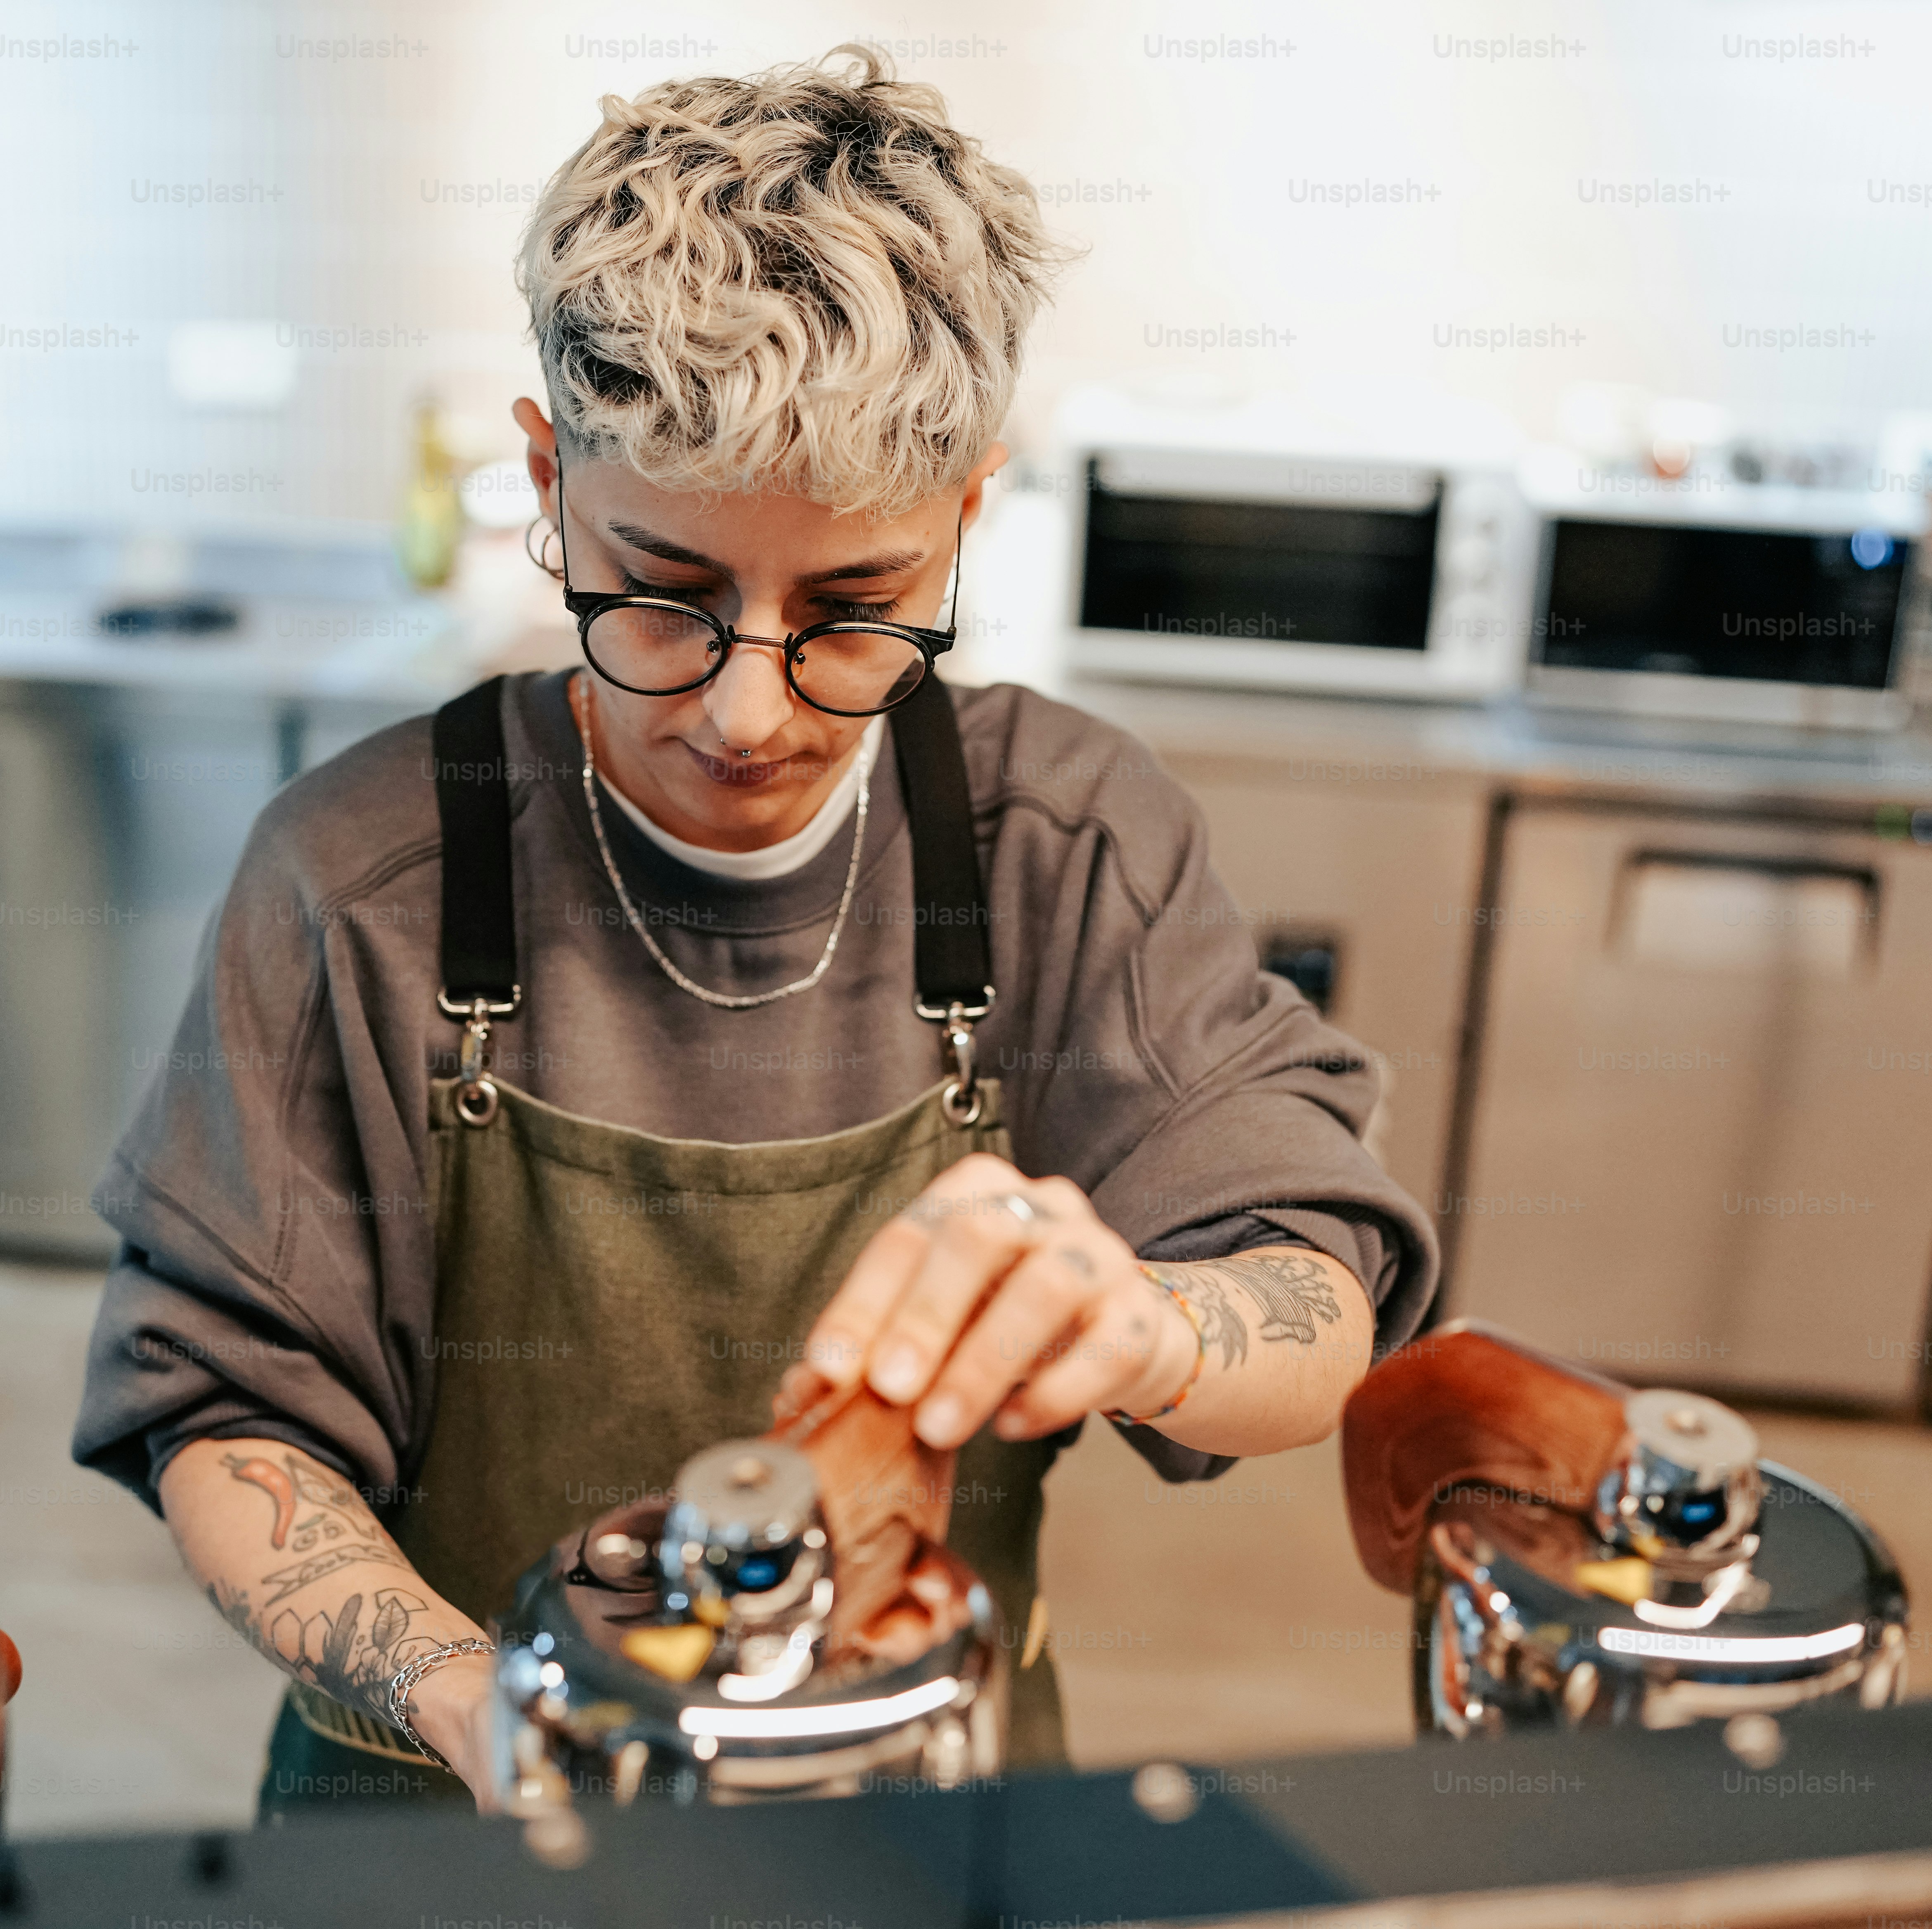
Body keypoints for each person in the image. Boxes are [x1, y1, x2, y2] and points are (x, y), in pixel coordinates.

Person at [73, 44, 1435, 1813]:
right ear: (551, 480)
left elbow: (1312, 1294)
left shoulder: (1062, 840)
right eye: (662, 594)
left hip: (923, 1801)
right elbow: (229, 1413)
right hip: (455, 1811)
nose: (746, 711)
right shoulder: (357, 881)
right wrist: (485, 1705)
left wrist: (1152, 1320)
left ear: (965, 518)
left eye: (859, 608)